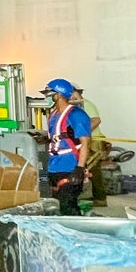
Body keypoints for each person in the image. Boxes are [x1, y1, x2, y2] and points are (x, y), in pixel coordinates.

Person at [42, 78, 92, 216]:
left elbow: (85, 143)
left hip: (70, 168)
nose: (47, 98)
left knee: (68, 206)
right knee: (56, 206)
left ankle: (76, 229)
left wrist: (80, 168)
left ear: (58, 95)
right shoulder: (53, 114)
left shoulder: (76, 115)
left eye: (49, 94)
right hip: (54, 167)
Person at [74, 86, 107, 204]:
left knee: (93, 169)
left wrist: (82, 133)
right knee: (89, 169)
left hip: (93, 141)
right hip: (87, 140)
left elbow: (96, 120)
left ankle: (100, 198)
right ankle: (96, 196)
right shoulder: (75, 106)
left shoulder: (85, 104)